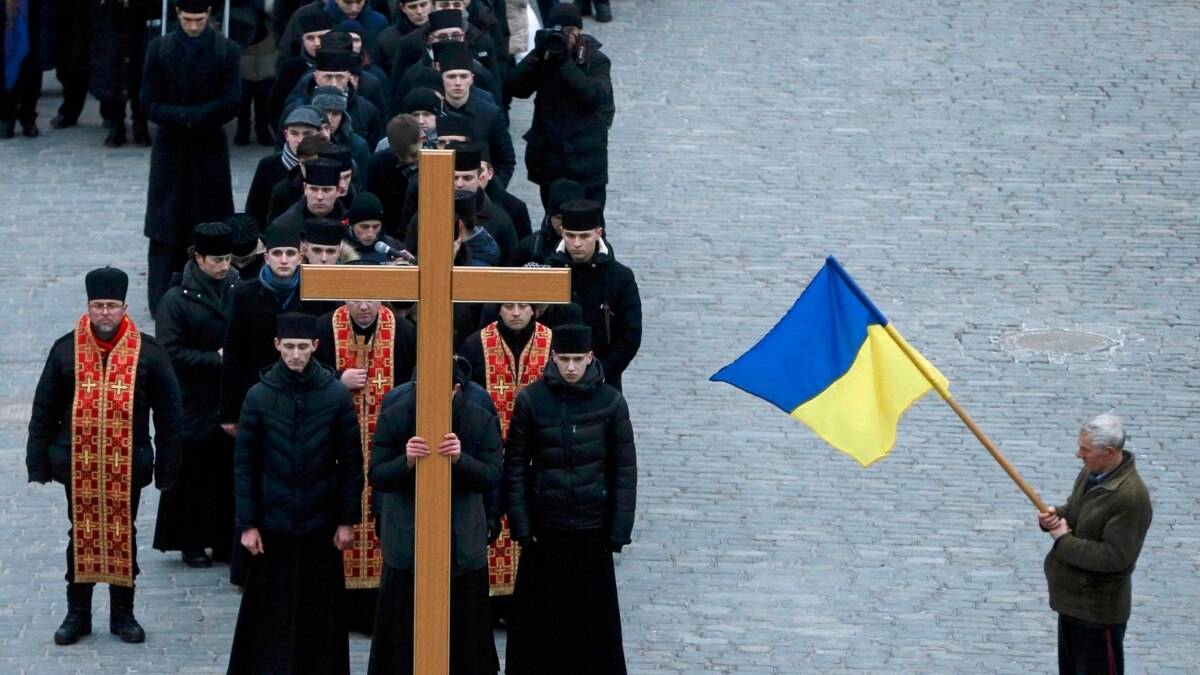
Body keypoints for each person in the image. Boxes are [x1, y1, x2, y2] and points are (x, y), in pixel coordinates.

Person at [26, 268, 183, 645]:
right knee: (79, 532)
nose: (105, 313)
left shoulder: (148, 352)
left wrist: (168, 467)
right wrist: (38, 462)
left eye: (112, 306)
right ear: (88, 307)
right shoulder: (66, 349)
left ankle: (122, 614)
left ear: (125, 307)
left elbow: (169, 413)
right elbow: (44, 407)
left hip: (127, 463)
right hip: (77, 463)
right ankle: (77, 613)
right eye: (98, 306)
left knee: (121, 532)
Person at [227, 312, 363, 674]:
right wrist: (248, 524)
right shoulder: (258, 396)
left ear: (315, 347)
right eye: (289, 347)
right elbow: (245, 465)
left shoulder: (335, 395)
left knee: (321, 614)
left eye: (303, 347)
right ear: (277, 346)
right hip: (275, 524)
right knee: (272, 614)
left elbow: (351, 461)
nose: (296, 355)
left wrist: (348, 520)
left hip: (320, 522)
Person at [503, 323, 635, 674]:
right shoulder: (532, 399)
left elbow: (624, 469)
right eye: (565, 359)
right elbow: (515, 464)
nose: (572, 367)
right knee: (542, 623)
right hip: (546, 527)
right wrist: (521, 524)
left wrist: (619, 530)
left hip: (593, 527)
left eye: (578, 359)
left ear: (590, 357)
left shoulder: (610, 402)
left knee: (594, 626)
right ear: (553, 358)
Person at [368, 357, 502, 674]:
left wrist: (460, 459)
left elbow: (493, 474)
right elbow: (377, 475)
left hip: (461, 545)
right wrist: (406, 461)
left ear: (456, 389)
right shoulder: (396, 414)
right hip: (408, 544)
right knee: (403, 636)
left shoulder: (479, 418)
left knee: (464, 636)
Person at [140, 0, 242, 315]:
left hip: (208, 149)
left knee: (210, 220)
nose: (194, 26)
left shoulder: (227, 51)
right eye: (187, 20)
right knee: (166, 225)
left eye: (199, 19)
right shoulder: (159, 49)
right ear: (177, 16)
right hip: (171, 150)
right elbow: (148, 100)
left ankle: (214, 293)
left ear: (209, 14)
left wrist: (195, 117)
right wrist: (183, 117)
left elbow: (231, 100)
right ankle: (160, 300)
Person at [152, 223, 241, 569]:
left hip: (226, 396)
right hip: (191, 398)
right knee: (192, 475)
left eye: (228, 259)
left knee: (223, 471)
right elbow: (169, 351)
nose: (224, 266)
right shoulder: (176, 300)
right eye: (217, 260)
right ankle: (189, 540)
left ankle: (221, 538)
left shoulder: (236, 286)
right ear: (199, 258)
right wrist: (216, 358)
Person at [457, 302, 552, 621]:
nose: (515, 313)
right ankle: (488, 605)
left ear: (534, 310)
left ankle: (523, 603)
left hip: (537, 453)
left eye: (523, 306)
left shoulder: (550, 342)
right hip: (488, 450)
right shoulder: (475, 344)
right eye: (508, 306)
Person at [1037, 413, 1152, 675]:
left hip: (1098, 613)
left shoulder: (1130, 497)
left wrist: (1062, 541)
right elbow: (1077, 511)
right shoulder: (1091, 472)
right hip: (1072, 602)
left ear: (1109, 452)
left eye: (1085, 450)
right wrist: (1055, 516)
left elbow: (1114, 557)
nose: (1079, 454)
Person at [505, 2, 613, 215]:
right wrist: (536, 56)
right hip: (551, 159)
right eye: (559, 31)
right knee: (554, 219)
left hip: (586, 161)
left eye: (570, 32)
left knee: (591, 222)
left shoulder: (595, 59)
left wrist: (564, 63)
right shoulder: (544, 56)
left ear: (579, 31)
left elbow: (594, 96)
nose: (565, 37)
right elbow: (514, 87)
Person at [548, 199, 640, 390]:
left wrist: (603, 371)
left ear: (598, 233)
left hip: (603, 379)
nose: (576, 243)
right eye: (570, 236)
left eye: (584, 236)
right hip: (551, 376)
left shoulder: (620, 277)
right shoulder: (547, 270)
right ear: (562, 232)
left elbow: (630, 334)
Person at [246, 106, 326, 229]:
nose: (299, 140)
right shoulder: (268, 166)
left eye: (307, 134)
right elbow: (254, 212)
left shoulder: (332, 164)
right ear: (286, 135)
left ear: (319, 135)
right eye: (294, 133)